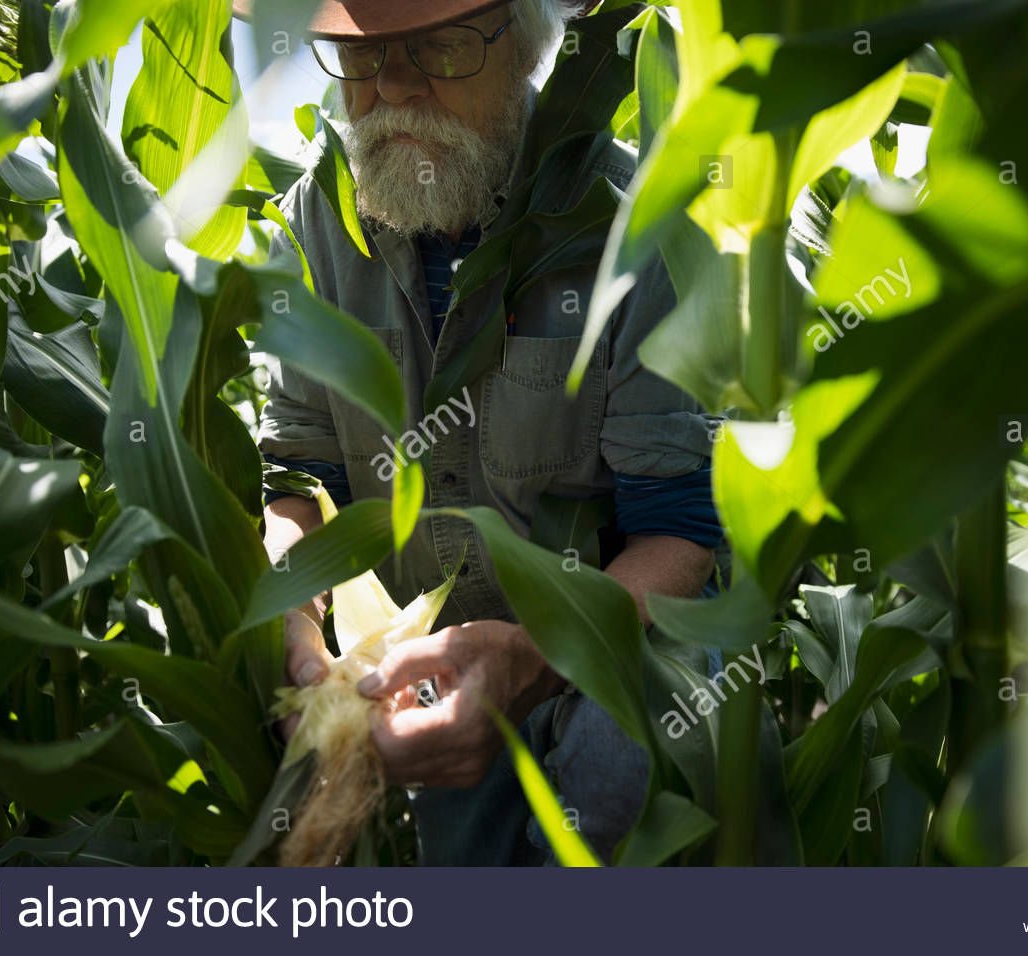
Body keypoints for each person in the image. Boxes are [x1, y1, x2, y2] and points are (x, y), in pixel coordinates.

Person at [248, 0, 722, 864]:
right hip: (423, 673)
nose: (390, 85)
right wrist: (295, 619)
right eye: (359, 56)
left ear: (530, 42)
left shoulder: (636, 232)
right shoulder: (317, 228)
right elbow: (298, 480)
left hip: (610, 652)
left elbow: (678, 536)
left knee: (610, 784)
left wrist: (534, 655)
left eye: (439, 44)